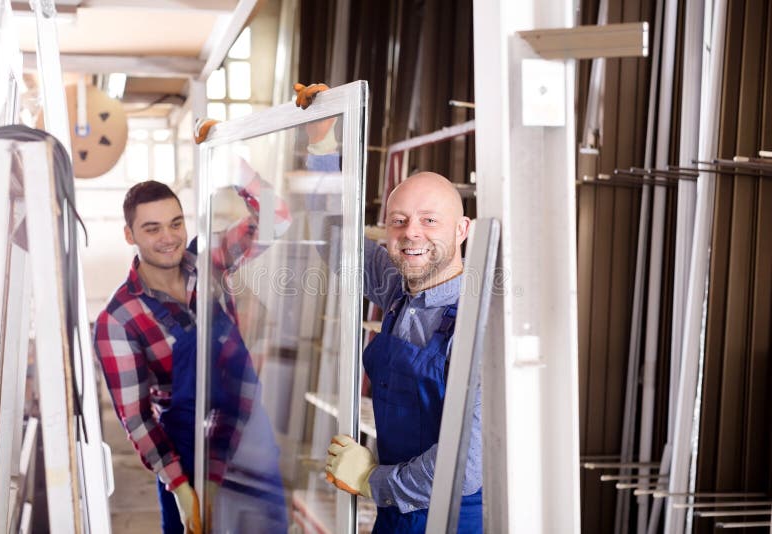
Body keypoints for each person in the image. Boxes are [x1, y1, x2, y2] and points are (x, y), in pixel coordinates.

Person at [294, 83, 484, 533]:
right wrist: (322, 144)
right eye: (398, 221)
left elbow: (465, 466)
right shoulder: (398, 290)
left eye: (429, 220)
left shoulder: (477, 323)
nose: (411, 233)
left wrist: (371, 481)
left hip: (451, 519)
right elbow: (334, 236)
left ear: (462, 229)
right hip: (395, 512)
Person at [93, 141, 292, 534]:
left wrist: (233, 164)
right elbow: (136, 418)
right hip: (187, 453)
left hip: (248, 435)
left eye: (176, 223)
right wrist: (182, 488)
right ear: (129, 234)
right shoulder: (118, 320)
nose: (169, 237)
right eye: (152, 228)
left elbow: (278, 218)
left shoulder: (210, 260)